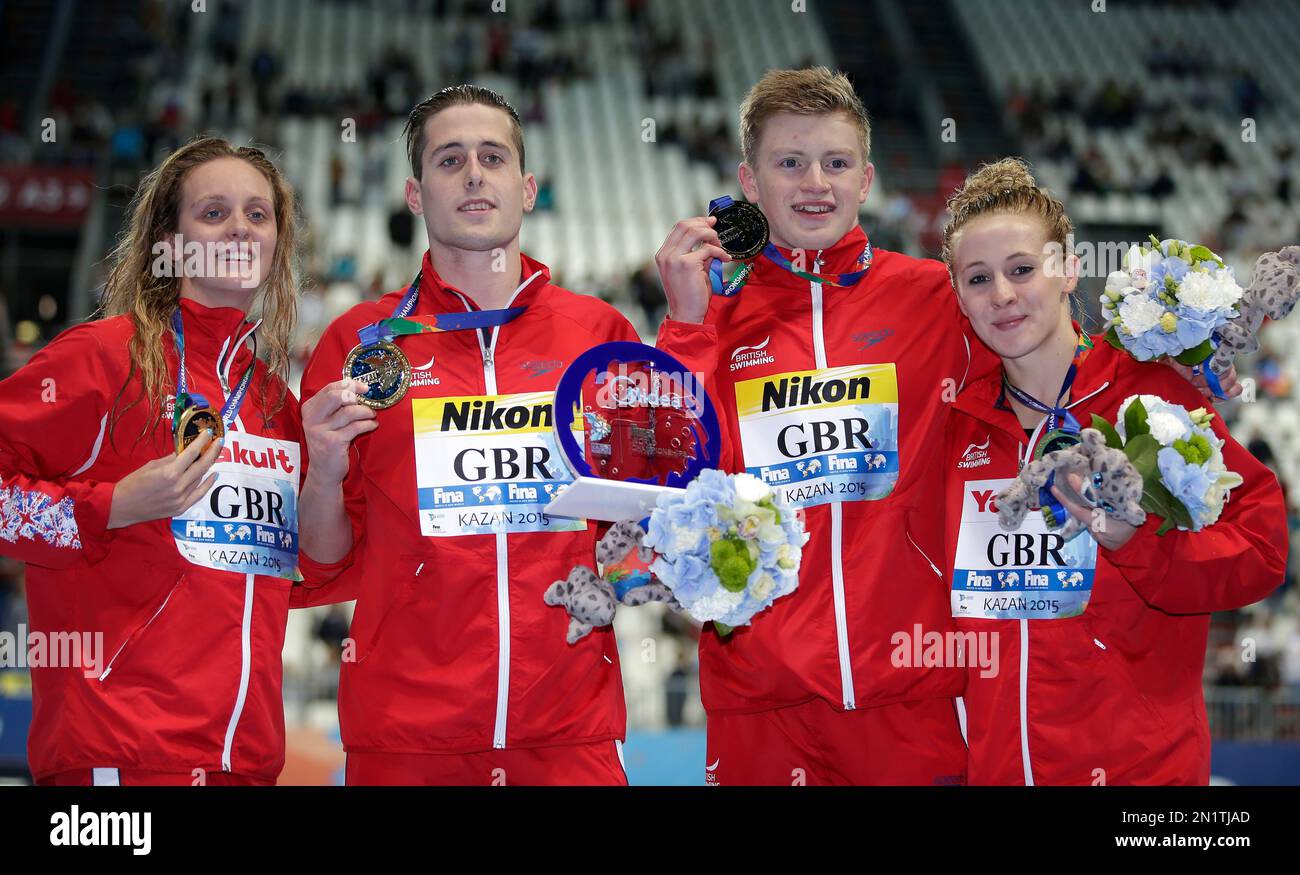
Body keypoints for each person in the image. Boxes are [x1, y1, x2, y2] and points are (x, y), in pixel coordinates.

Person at [653, 66, 1234, 786]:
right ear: (748, 180)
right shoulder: (709, 318)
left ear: (867, 179)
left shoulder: (940, 298)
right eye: (790, 162)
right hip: (759, 700)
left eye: (837, 162)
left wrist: (1173, 365)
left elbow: (1053, 355)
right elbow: (663, 483)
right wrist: (685, 325)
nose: (815, 183)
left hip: (914, 694)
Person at [296, 85, 640, 785]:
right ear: (415, 194)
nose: (474, 175)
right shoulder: (361, 348)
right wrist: (324, 472)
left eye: (493, 157)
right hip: (405, 737)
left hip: (569, 732)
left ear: (528, 188)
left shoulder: (601, 336)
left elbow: (637, 527)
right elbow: (324, 556)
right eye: (450, 160)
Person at [940, 158, 1288, 784]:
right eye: (978, 278)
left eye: (1022, 269)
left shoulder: (1152, 396)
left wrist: (1140, 545)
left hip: (1143, 774)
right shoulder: (956, 426)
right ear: (958, 296)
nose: (1003, 295)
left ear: (1070, 269)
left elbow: (1262, 551)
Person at [0, 136, 330, 785]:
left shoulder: (275, 406)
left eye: (258, 214)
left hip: (245, 764)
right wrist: (109, 507)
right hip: (121, 758)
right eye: (214, 212)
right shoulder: (103, 360)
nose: (240, 227)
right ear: (170, 243)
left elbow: (307, 573)